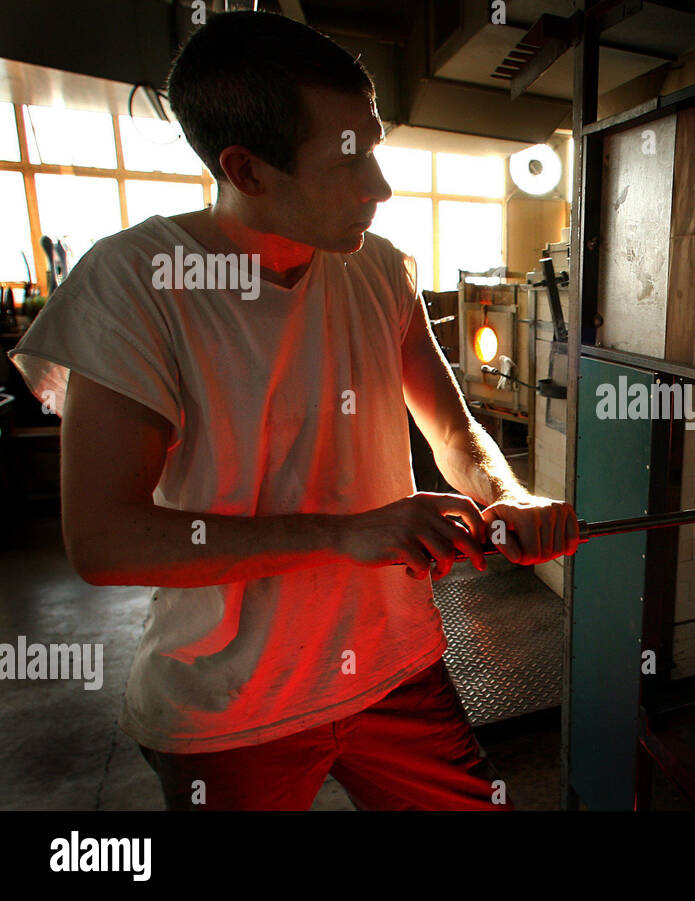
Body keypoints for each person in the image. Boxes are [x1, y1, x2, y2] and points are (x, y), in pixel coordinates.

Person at [7, 9, 578, 811]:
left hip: (393, 668)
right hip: (229, 704)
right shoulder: (136, 285)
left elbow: (452, 430)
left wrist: (507, 495)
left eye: (375, 147)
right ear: (246, 169)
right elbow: (105, 539)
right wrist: (348, 532)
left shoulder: (379, 270)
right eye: (350, 161)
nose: (380, 187)